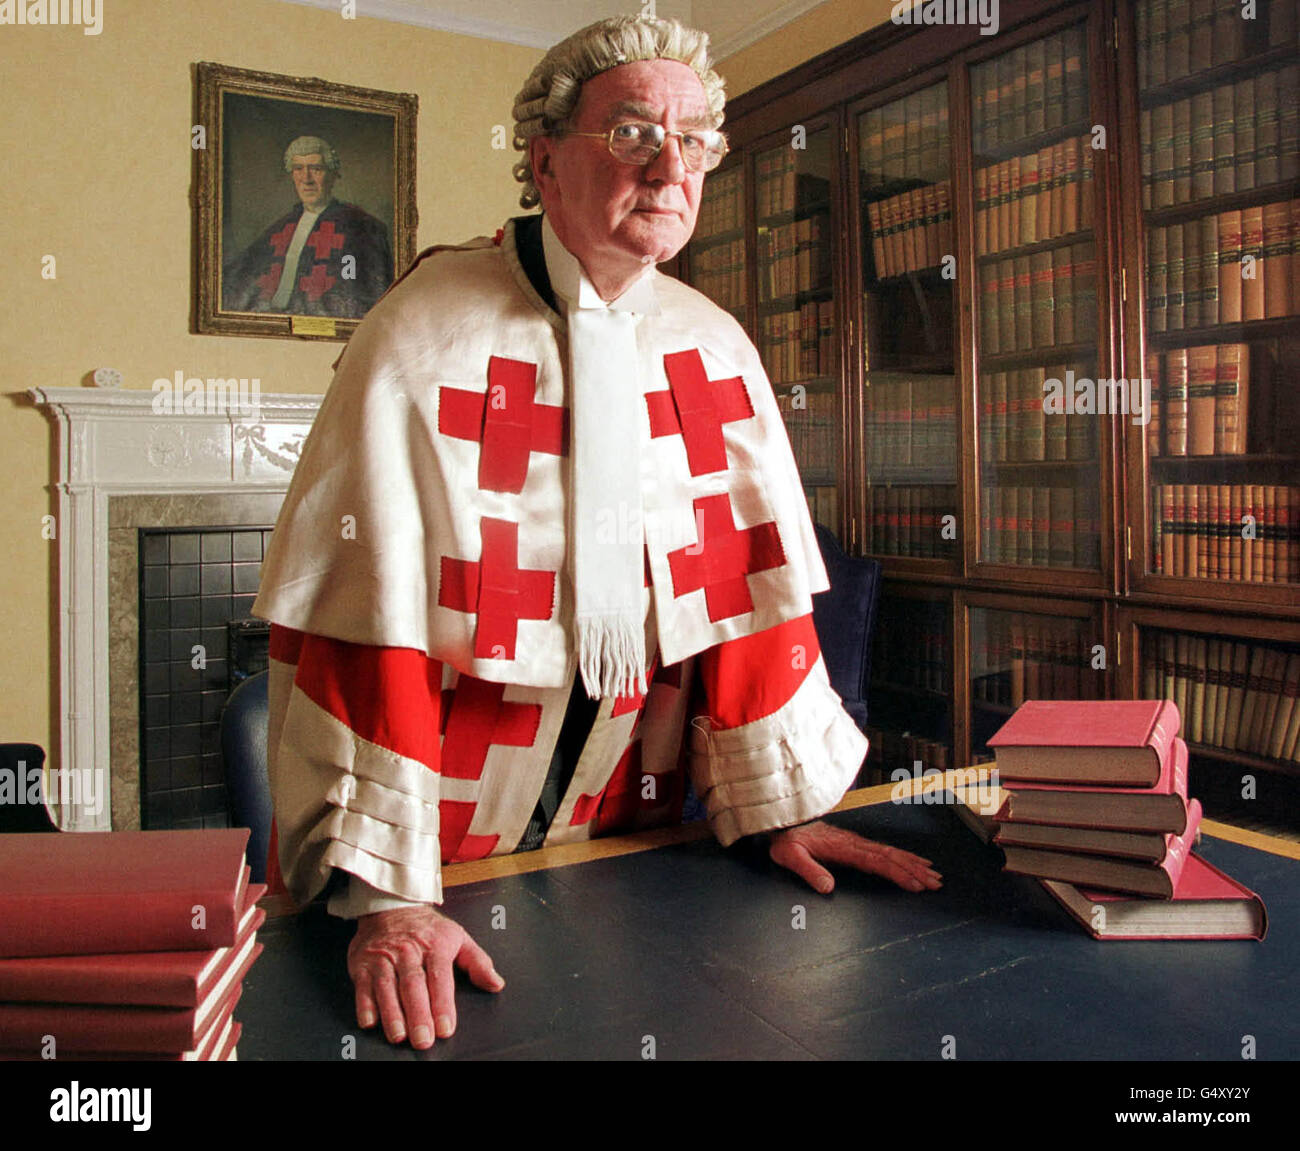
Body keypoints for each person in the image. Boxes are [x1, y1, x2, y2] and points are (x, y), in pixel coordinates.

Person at [251, 15, 941, 1053]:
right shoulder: (417, 333)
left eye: (693, 139)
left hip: (643, 847)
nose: (670, 166)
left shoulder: (715, 347)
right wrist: (386, 893)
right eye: (630, 134)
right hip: (447, 848)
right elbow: (367, 623)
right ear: (541, 161)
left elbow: (748, 603)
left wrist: (772, 807)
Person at [223, 134, 392, 318]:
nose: (306, 179)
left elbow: (368, 295)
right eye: (298, 169)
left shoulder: (362, 227)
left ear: (333, 174)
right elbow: (238, 279)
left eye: (316, 169)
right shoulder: (281, 228)